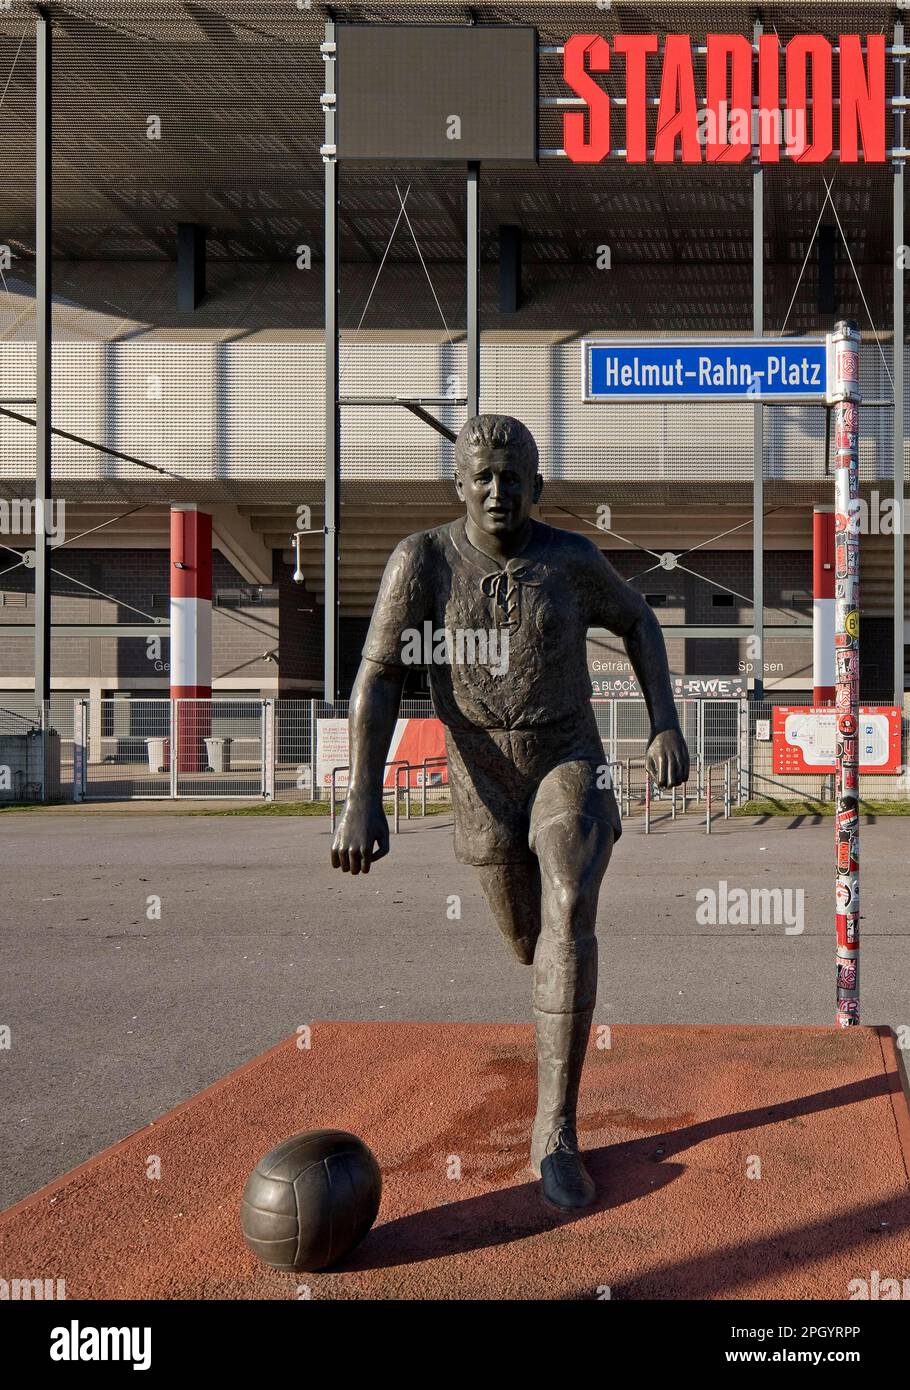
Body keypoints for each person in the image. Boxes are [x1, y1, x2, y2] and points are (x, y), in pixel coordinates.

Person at [330, 414, 689, 1208]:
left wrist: (665, 720)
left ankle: (555, 1131)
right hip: (480, 773)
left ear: (538, 484)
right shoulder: (419, 562)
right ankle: (548, 989)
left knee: (569, 906)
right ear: (458, 483)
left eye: (514, 475)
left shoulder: (570, 559)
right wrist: (363, 794)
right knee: (527, 939)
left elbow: (639, 619)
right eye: (483, 475)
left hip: (568, 754)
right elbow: (381, 675)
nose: (499, 489)